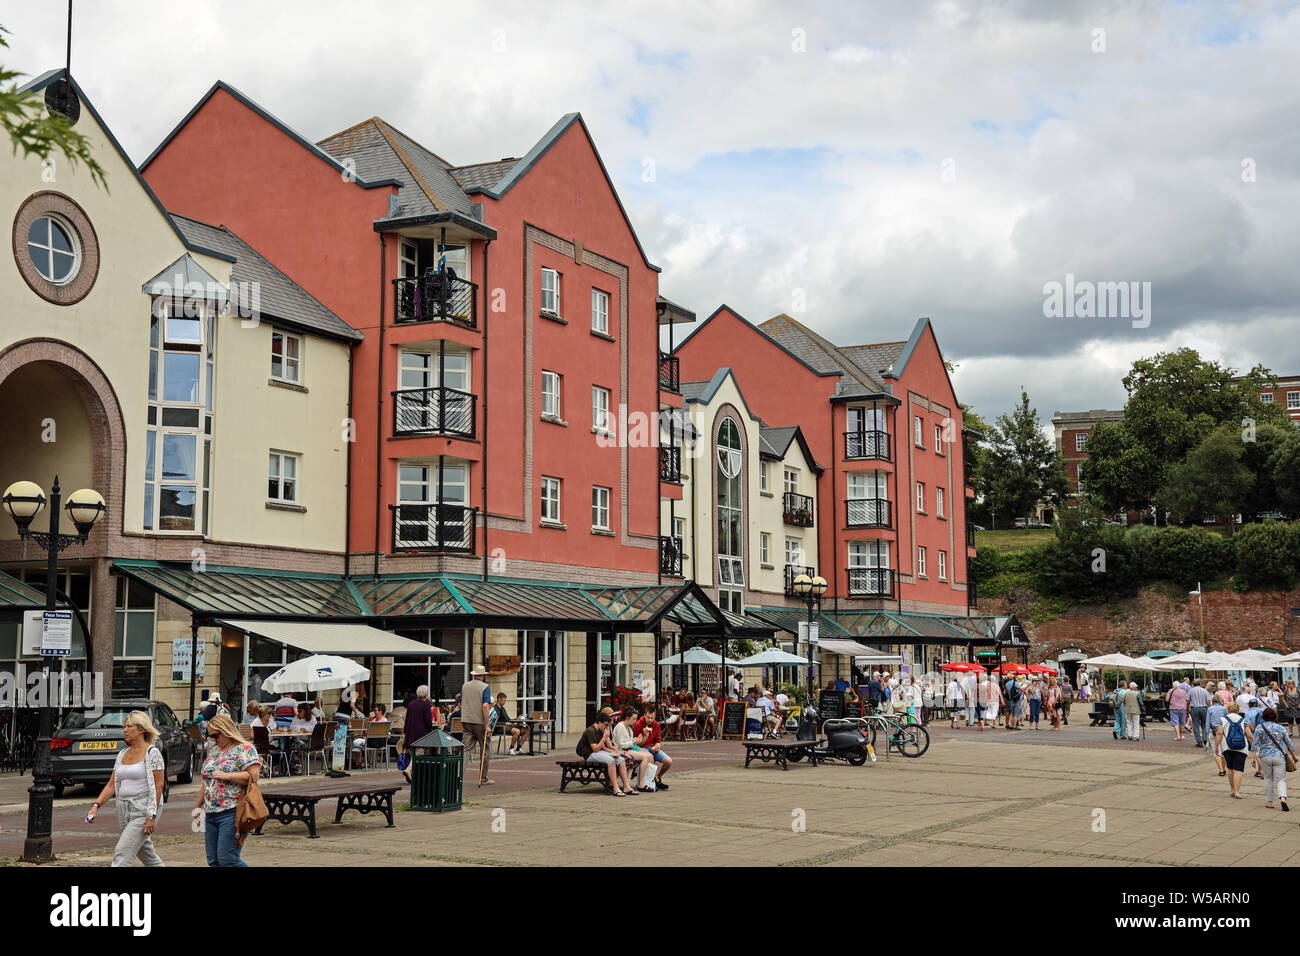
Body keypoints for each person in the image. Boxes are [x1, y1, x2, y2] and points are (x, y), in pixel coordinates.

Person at [87, 710, 166, 867]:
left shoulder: (152, 753)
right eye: (124, 726)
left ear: (141, 729)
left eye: (129, 726)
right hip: (124, 808)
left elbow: (159, 785)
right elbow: (111, 785)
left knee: (122, 854)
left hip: (143, 809)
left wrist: (152, 816)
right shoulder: (122, 754)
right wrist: (96, 806)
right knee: (148, 856)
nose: (125, 730)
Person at [194, 714, 261, 867]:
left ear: (226, 730)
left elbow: (253, 776)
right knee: (214, 861)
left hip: (231, 811)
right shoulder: (215, 751)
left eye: (216, 735)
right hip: (211, 812)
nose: (214, 740)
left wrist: (228, 775)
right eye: (210, 736)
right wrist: (198, 807)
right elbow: (207, 782)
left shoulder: (244, 749)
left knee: (227, 860)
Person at [577, 712, 635, 796]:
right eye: (606, 725)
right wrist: (604, 737)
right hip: (590, 754)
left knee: (621, 760)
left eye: (608, 725)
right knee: (611, 761)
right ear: (600, 722)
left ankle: (626, 786)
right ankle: (615, 788)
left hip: (599, 752)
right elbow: (595, 749)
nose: (607, 727)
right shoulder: (591, 730)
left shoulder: (601, 729)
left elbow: (605, 747)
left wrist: (617, 752)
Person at [1253, 707, 1294, 811]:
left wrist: (1253, 758)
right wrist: (1293, 756)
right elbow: (1289, 744)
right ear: (1275, 717)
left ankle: (1270, 802)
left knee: (1268, 779)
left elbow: (1255, 744)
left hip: (1265, 756)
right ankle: (1283, 798)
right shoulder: (1281, 728)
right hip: (1279, 756)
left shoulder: (1259, 728)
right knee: (1281, 779)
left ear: (1263, 717)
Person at [460, 665, 494, 785]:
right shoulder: (485, 687)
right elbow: (485, 706)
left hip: (466, 720)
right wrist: (487, 724)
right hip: (479, 722)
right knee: (485, 749)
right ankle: (483, 777)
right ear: (483, 675)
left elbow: (461, 703)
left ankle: (459, 777)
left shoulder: (465, 686)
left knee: (466, 750)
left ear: (474, 674)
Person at [611, 707, 656, 791]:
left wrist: (636, 740)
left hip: (628, 749)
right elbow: (622, 744)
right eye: (633, 719)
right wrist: (635, 742)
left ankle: (648, 781)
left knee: (650, 756)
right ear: (627, 718)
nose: (635, 721)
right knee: (645, 757)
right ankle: (641, 784)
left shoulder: (628, 727)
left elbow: (629, 740)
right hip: (621, 751)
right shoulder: (620, 726)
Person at [1215, 701, 1253, 799]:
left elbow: (1219, 733)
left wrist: (1216, 746)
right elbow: (1249, 735)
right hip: (1241, 747)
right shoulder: (1243, 720)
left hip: (1227, 747)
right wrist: (1253, 746)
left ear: (1228, 709)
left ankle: (1232, 790)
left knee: (1230, 769)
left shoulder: (1223, 719)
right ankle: (1237, 791)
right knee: (1238, 770)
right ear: (1238, 709)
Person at [633, 706, 673, 789]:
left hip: (652, 748)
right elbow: (637, 744)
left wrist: (657, 745)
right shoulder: (638, 724)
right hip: (642, 748)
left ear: (655, 717)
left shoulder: (656, 725)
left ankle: (658, 777)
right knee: (649, 757)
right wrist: (646, 736)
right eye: (648, 717)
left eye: (652, 718)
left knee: (668, 761)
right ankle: (657, 781)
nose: (650, 720)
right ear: (644, 715)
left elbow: (658, 740)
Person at [1206, 696, 1229, 774]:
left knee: (1215, 751)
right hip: (1222, 731)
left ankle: (1221, 770)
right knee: (1224, 751)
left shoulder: (1210, 709)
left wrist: (1207, 733)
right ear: (1220, 700)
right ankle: (1224, 768)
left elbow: (1207, 722)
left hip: (1212, 731)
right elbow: (1227, 720)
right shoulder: (1224, 709)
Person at [1187, 679, 1212, 748]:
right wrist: (1211, 709)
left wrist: (1187, 709)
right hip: (1204, 708)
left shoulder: (1190, 690)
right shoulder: (1204, 690)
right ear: (1200, 684)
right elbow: (1208, 701)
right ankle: (1204, 738)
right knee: (1204, 724)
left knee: (1195, 725)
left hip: (1194, 709)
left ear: (1193, 684)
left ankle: (1199, 741)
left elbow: (1188, 701)